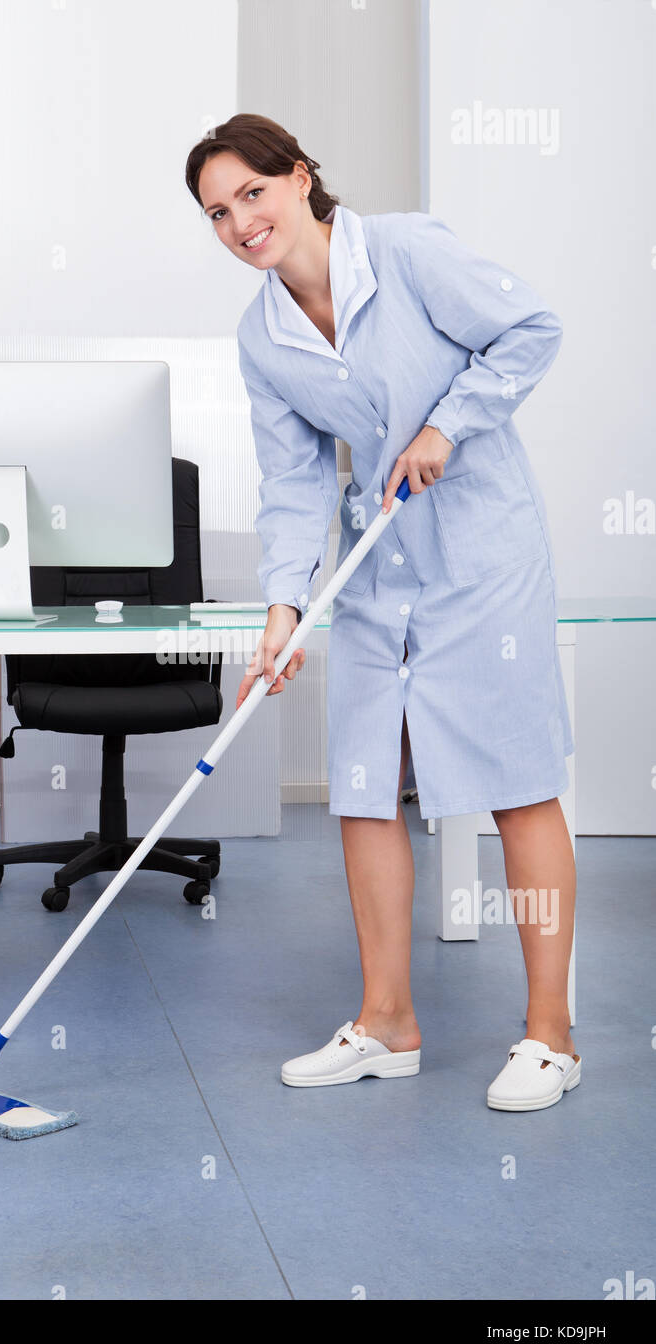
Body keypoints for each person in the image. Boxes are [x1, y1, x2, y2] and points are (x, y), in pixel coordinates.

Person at [185, 113, 580, 1112]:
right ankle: (386, 1024)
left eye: (251, 194)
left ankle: (548, 1034)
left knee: (514, 780)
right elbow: (290, 479)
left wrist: (448, 423)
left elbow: (530, 328)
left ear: (300, 176)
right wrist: (280, 607)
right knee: (362, 787)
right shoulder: (260, 336)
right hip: (374, 572)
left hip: (480, 558)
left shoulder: (403, 251)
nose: (238, 223)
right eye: (217, 213)